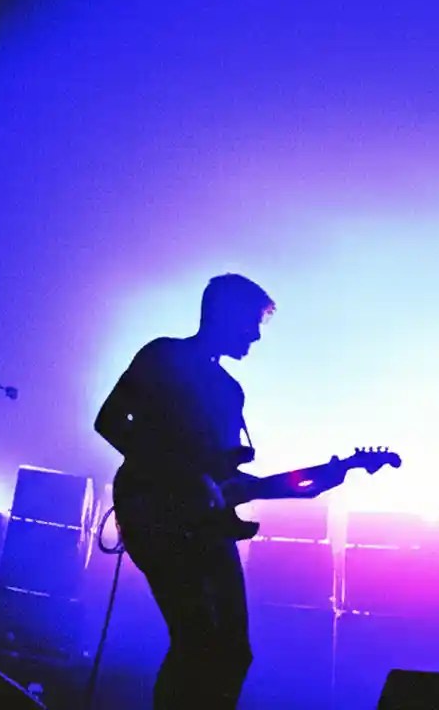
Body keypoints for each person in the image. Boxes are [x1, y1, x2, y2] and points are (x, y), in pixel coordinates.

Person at [95, 273, 281, 709]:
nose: (256, 334)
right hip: (155, 511)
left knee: (234, 651)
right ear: (224, 315)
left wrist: (306, 484)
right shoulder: (163, 356)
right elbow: (109, 421)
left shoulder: (230, 391)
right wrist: (179, 473)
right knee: (194, 639)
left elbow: (221, 478)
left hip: (204, 520)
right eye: (251, 322)